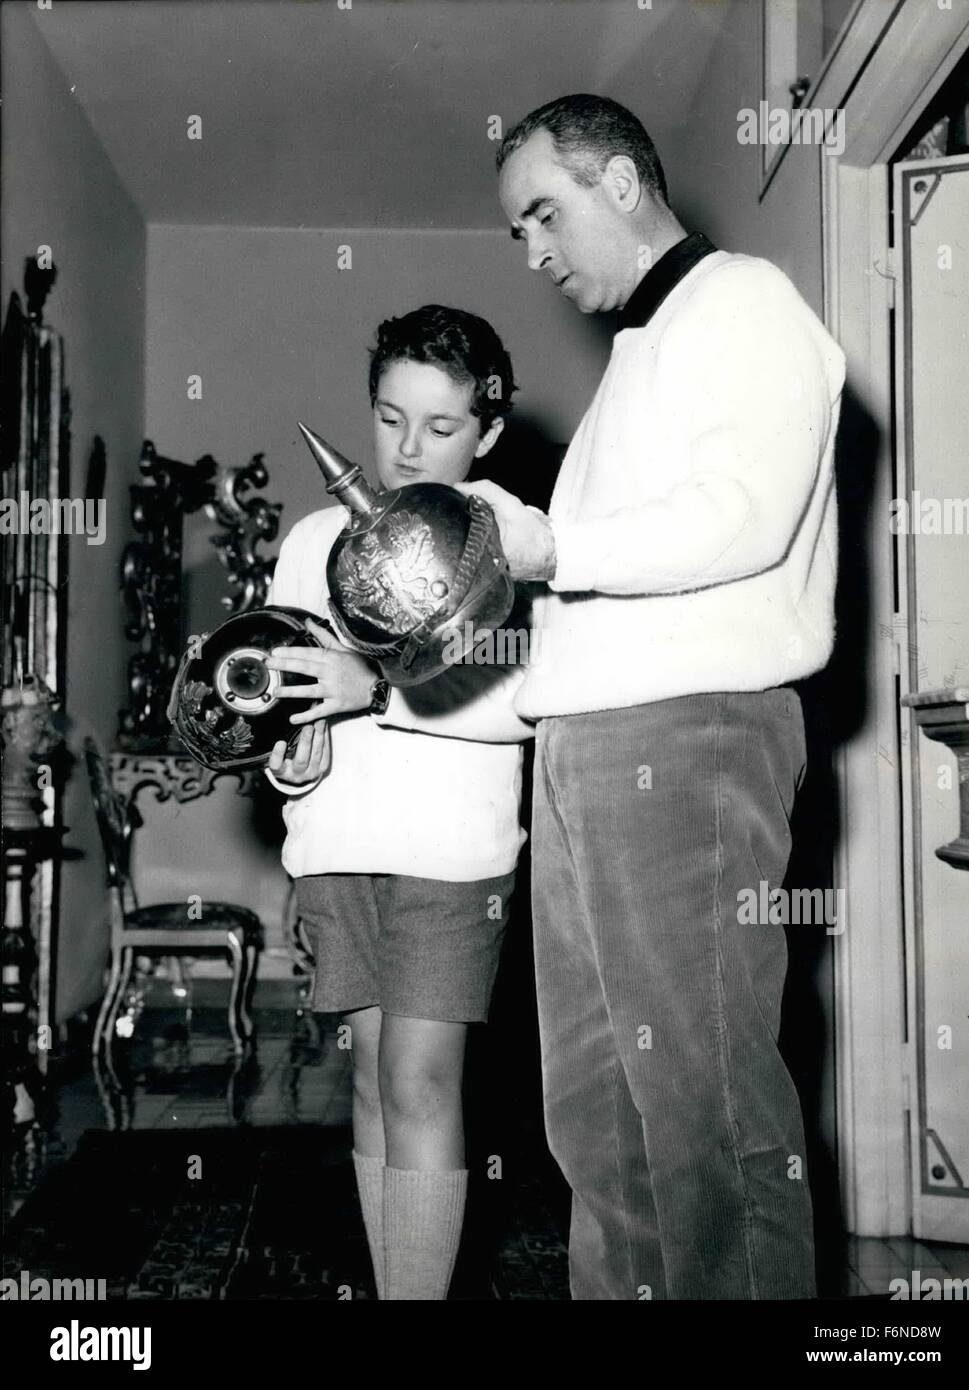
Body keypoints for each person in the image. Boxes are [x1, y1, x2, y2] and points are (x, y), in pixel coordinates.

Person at [451, 93, 847, 1299]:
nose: (533, 253)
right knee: (594, 1114)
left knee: (706, 1106)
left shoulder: (744, 303)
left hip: (690, 741)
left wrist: (547, 554)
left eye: (542, 213)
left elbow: (740, 516)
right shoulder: (638, 354)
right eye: (517, 230)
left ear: (620, 181)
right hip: (583, 749)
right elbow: (586, 611)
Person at [263, 304, 532, 1301]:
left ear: (488, 433)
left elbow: (521, 701)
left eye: (442, 426)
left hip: (454, 856)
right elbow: (295, 712)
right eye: (389, 417)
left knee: (422, 1081)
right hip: (339, 845)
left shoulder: (507, 541)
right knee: (372, 1081)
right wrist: (290, 764)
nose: (409, 448)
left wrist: (372, 689)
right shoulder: (311, 539)